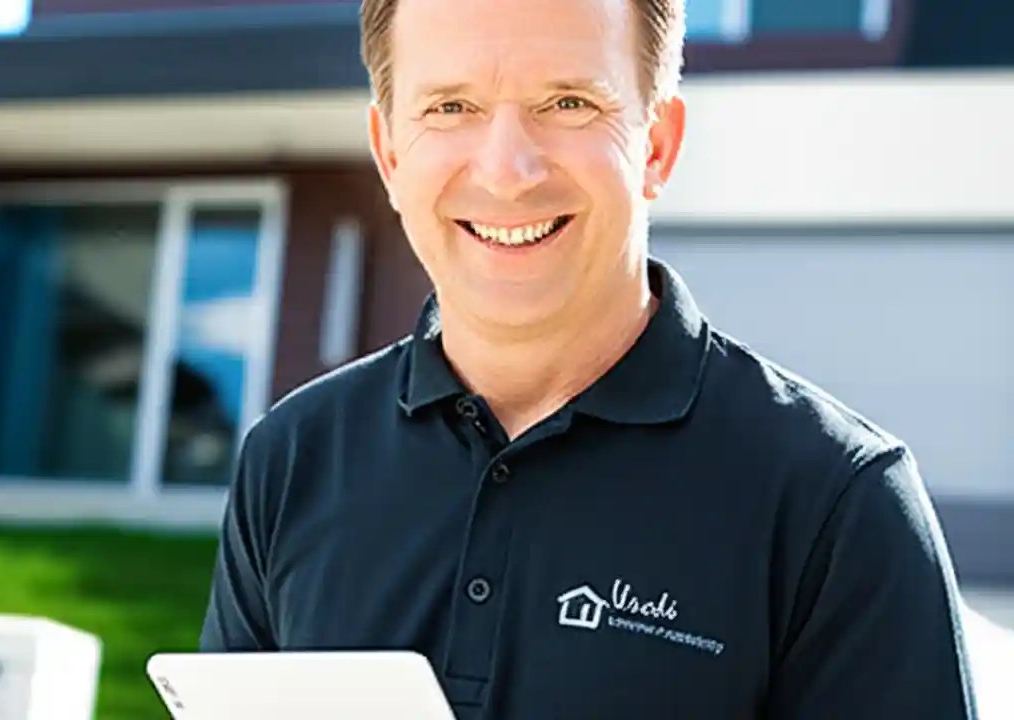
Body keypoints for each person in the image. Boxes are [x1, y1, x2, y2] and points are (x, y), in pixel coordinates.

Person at [199, 0, 978, 716]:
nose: (507, 170)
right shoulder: (291, 458)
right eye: (450, 108)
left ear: (658, 146)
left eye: (569, 103)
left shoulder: (837, 501)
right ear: (390, 154)